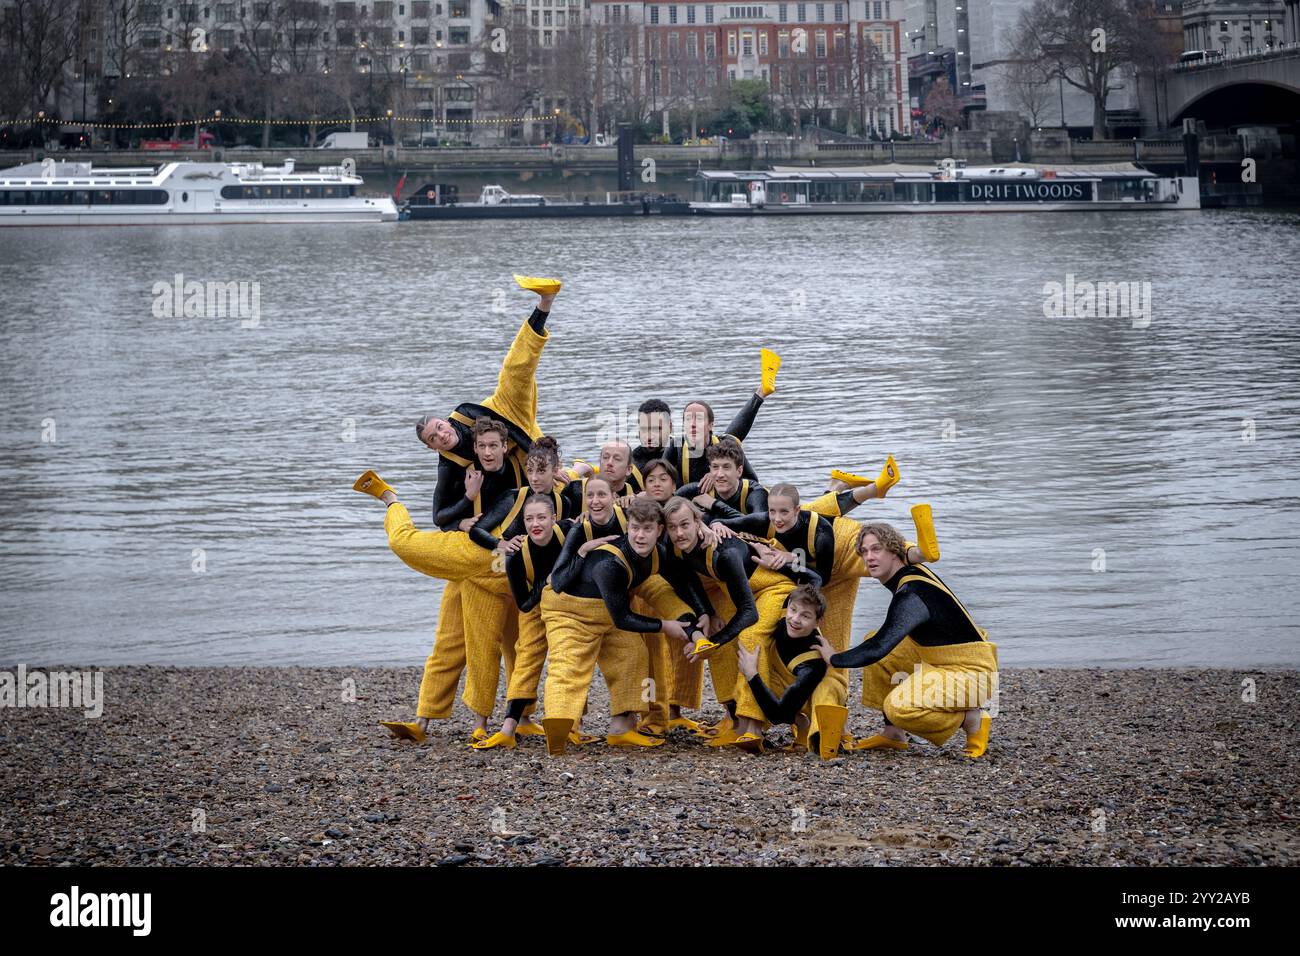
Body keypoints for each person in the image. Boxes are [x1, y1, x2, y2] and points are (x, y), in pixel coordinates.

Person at [408, 275, 559, 738]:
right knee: (454, 636)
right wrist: (469, 503)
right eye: (434, 437)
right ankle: (425, 718)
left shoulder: (495, 422)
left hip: (515, 540)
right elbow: (441, 517)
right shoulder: (453, 466)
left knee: (519, 635)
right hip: (482, 549)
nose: (442, 435)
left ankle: (522, 716)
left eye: (441, 427)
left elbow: (517, 373)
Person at [539, 498, 711, 754]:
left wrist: (703, 612)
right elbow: (623, 618)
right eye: (635, 528)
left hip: (607, 614)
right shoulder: (610, 563)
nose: (640, 536)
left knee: (634, 655)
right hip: (569, 611)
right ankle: (560, 729)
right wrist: (665, 625)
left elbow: (683, 579)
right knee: (568, 664)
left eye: (647, 529)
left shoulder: (658, 553)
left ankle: (621, 729)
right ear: (627, 527)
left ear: (659, 530)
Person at [815, 522, 996, 759]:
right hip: (943, 660)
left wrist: (834, 658)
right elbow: (880, 644)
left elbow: (878, 647)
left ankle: (972, 720)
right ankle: (893, 734)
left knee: (899, 707)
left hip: (973, 673)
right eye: (865, 551)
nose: (869, 557)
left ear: (894, 551)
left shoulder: (911, 593)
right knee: (878, 646)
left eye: (876, 549)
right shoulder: (908, 575)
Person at [661, 497, 821, 753]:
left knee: (750, 637)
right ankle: (737, 722)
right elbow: (688, 582)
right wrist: (707, 614)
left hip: (773, 590)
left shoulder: (725, 553)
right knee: (720, 642)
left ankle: (753, 726)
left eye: (684, 525)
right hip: (742, 596)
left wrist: (714, 642)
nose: (679, 533)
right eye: (672, 527)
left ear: (696, 522)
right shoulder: (678, 547)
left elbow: (749, 614)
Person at [737, 584, 843, 756]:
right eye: (793, 610)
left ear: (818, 622)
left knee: (828, 688)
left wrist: (752, 675)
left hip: (811, 695)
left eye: (805, 616)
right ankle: (800, 725)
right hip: (791, 688)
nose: (795, 619)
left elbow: (778, 715)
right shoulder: (784, 617)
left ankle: (818, 731)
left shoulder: (813, 663)